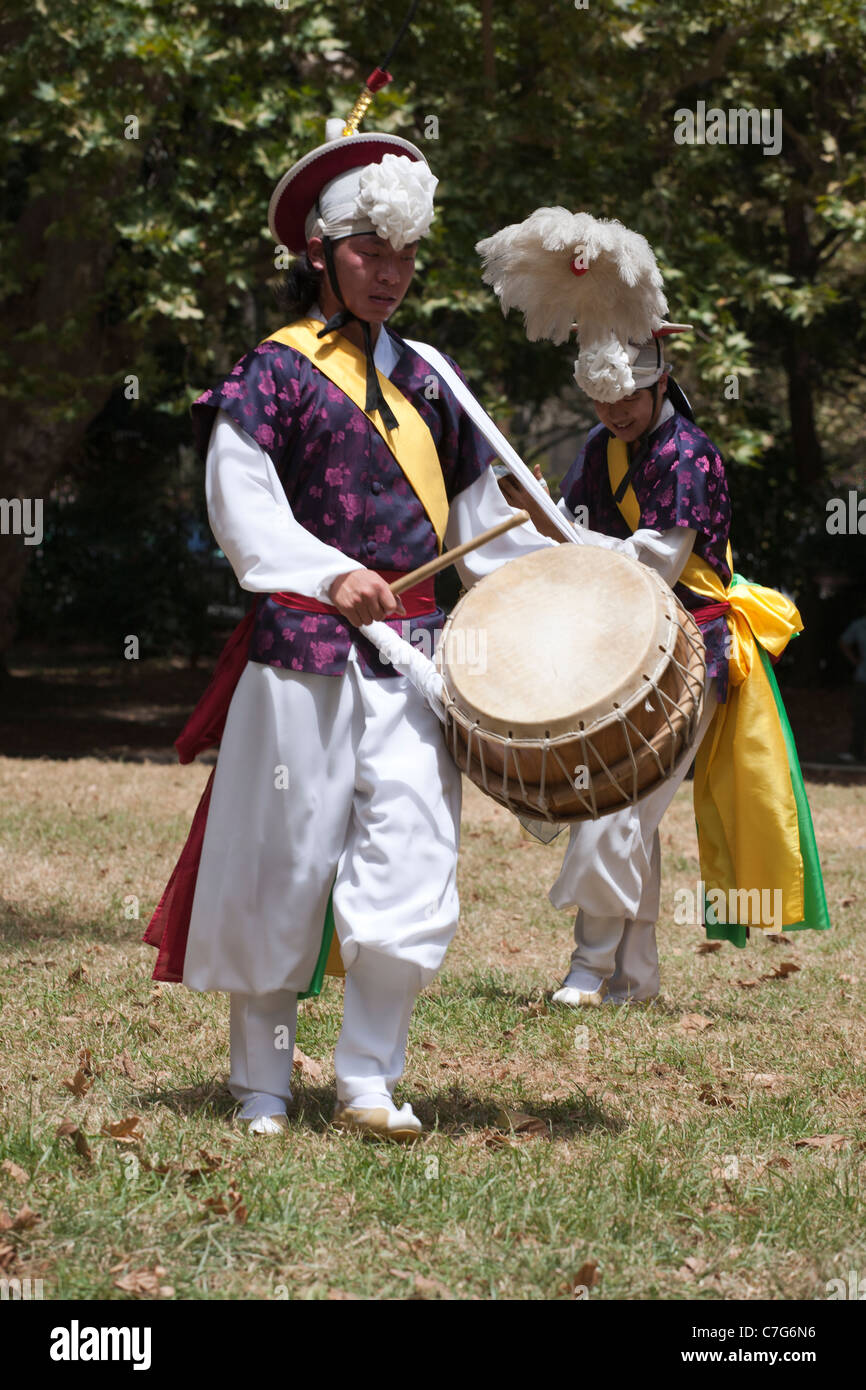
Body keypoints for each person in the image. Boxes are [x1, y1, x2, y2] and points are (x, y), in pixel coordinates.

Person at [144, 121, 553, 1139]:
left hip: (416, 660)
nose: (391, 273)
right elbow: (243, 513)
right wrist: (331, 575)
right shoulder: (270, 373)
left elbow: (475, 526)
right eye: (371, 252)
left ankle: (369, 1078)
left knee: (411, 863)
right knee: (282, 862)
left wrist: (558, 587)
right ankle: (264, 1086)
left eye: (406, 254)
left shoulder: (431, 377)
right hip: (302, 655)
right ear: (319, 252)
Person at [479, 207, 830, 1006]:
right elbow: (571, 542)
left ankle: (588, 966)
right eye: (604, 407)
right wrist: (533, 523)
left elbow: (653, 563)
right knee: (629, 809)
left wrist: (552, 526)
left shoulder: (688, 454)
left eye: (630, 401)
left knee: (614, 802)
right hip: (622, 642)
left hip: (692, 646)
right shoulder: (599, 448)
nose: (617, 417)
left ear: (661, 378)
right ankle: (633, 980)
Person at [838, 597, 866, 763]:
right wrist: (855, 661)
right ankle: (856, 752)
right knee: (860, 715)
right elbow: (843, 642)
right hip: (863, 676)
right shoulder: (860, 625)